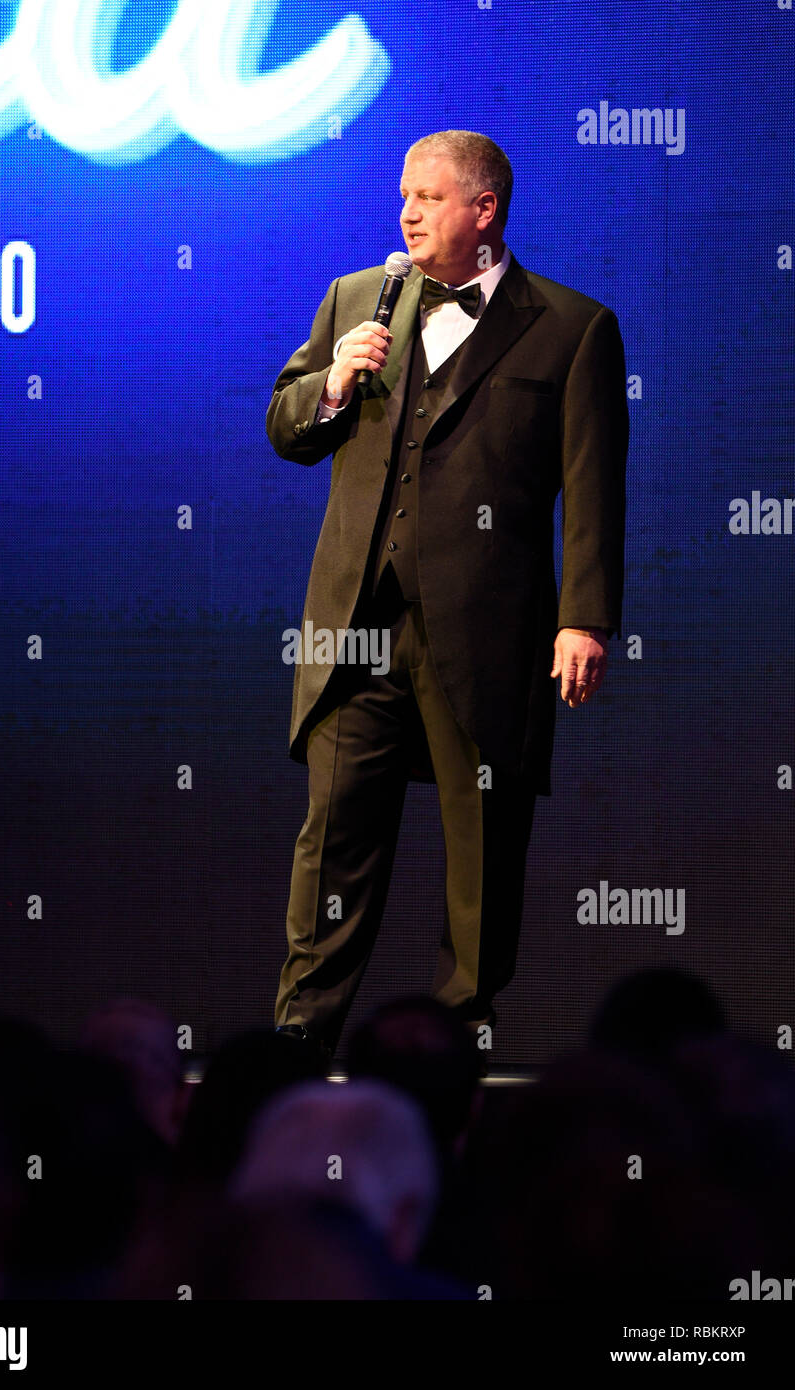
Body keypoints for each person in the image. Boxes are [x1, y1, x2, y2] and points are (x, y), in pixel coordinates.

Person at [267, 130, 628, 1056]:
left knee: (480, 845)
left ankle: (456, 1041)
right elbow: (286, 425)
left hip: (484, 631)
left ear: (484, 210)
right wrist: (333, 385)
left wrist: (582, 618)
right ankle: (297, 1043)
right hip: (355, 626)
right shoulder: (358, 299)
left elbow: (591, 489)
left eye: (427, 198)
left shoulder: (569, 326)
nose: (407, 214)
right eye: (402, 197)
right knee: (333, 842)